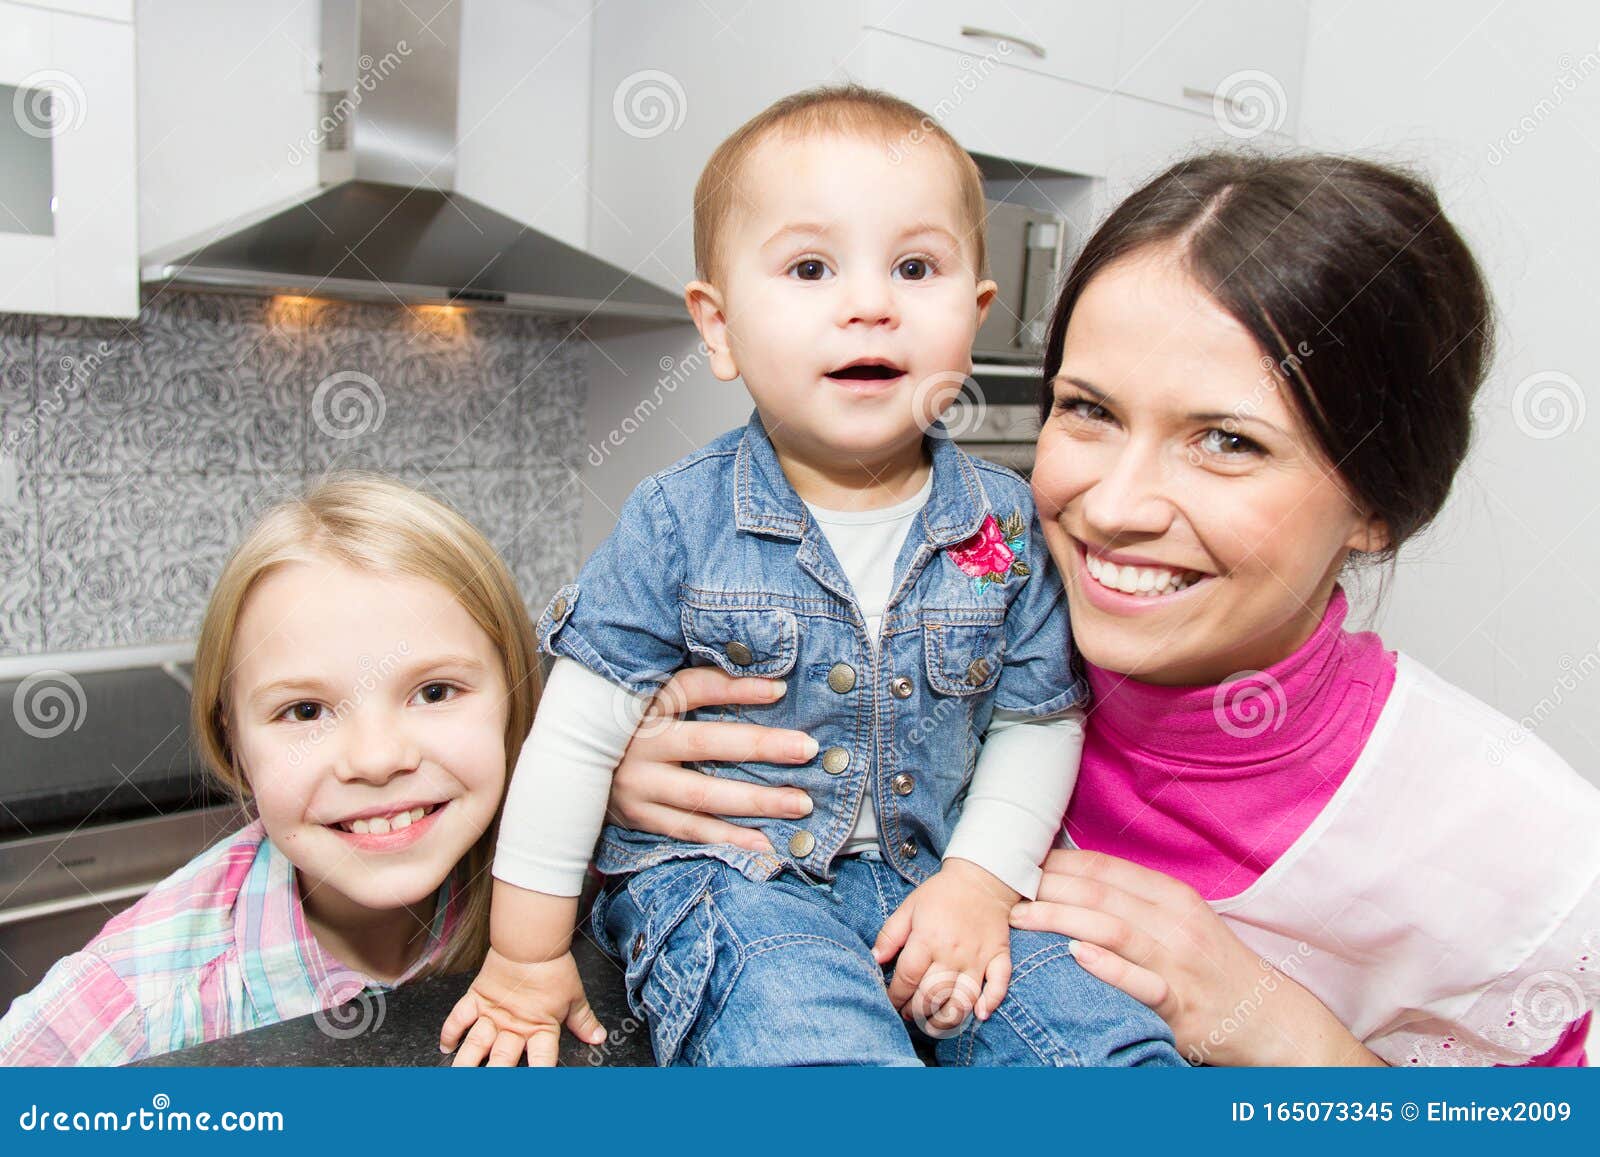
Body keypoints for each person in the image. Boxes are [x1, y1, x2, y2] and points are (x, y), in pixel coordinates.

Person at [603, 151, 1600, 1067]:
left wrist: (1279, 1027)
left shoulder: (1516, 839)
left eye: (1227, 441)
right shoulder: (966, 633)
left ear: (1379, 505)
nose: (1114, 508)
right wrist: (642, 778)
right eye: (1088, 410)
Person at [441, 86, 1181, 1068]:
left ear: (974, 313)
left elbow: (1035, 721)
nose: (870, 303)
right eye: (809, 267)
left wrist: (980, 882)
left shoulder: (1004, 525)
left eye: (914, 267)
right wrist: (526, 956)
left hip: (946, 874)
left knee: (1099, 1039)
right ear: (718, 327)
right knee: (811, 1043)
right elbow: (576, 737)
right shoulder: (676, 521)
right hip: (734, 883)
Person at [0, 474, 539, 1065]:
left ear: (515, 697)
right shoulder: (135, 1003)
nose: (377, 759)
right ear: (233, 739)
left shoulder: (574, 883)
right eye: (305, 710)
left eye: (434, 692)